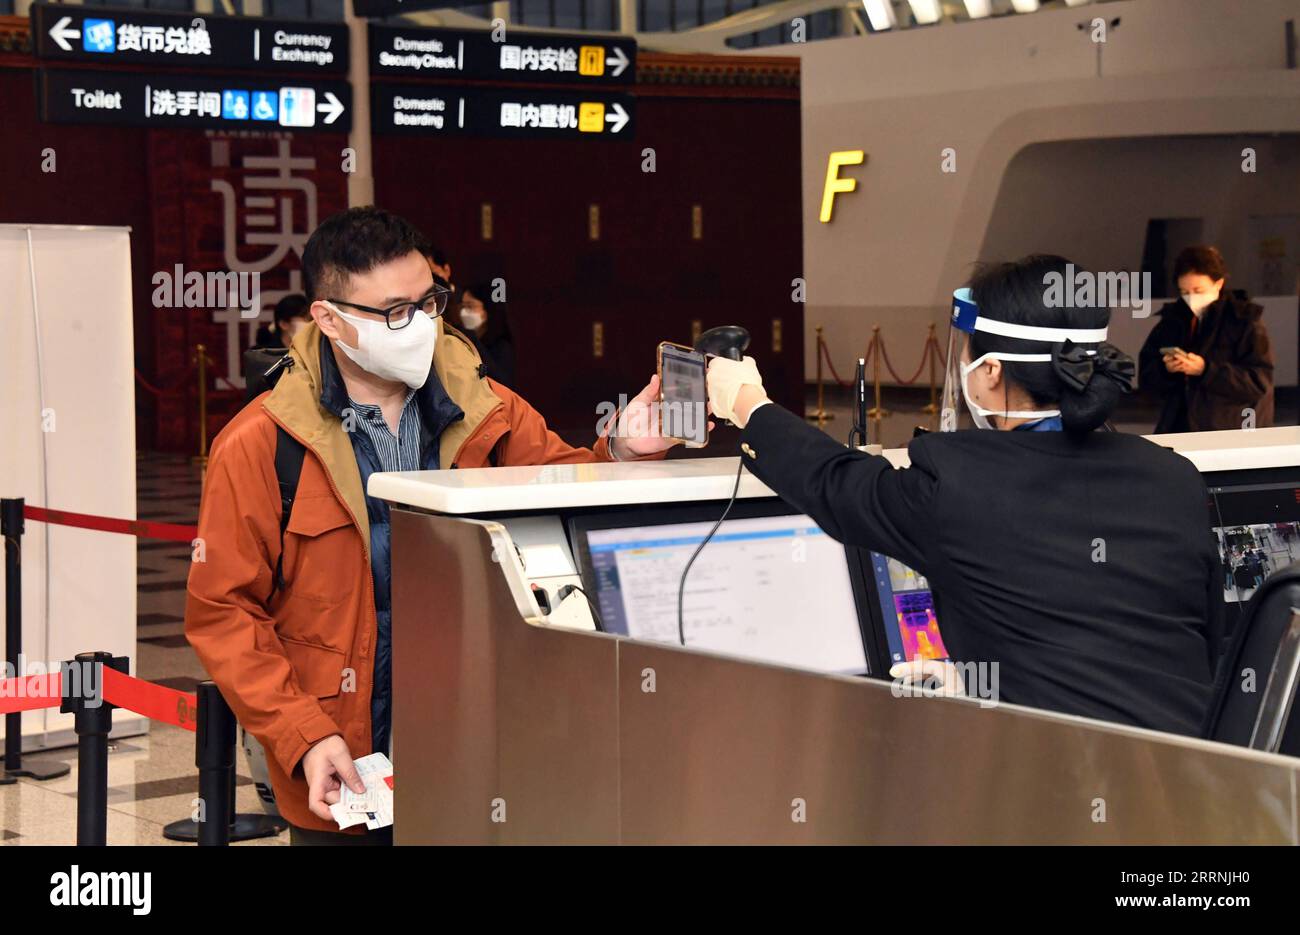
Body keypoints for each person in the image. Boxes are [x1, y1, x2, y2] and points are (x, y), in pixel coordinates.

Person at [185, 206, 684, 844]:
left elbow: (568, 502)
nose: (419, 325)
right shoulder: (261, 444)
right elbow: (224, 609)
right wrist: (303, 735)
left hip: (480, 750)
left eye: (430, 302)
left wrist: (621, 454)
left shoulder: (489, 410)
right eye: (393, 312)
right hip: (342, 761)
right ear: (329, 319)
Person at [706, 255, 1223, 736]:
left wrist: (748, 404)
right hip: (1210, 783)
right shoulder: (1174, 478)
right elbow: (1172, 649)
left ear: (992, 372)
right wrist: (986, 682)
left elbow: (836, 483)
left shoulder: (960, 480)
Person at [1138, 245, 1274, 433]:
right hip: (1180, 426)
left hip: (1230, 428)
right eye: (1184, 292)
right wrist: (1166, 369)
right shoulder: (1173, 320)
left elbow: (1258, 383)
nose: (1191, 298)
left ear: (1218, 284)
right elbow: (1147, 377)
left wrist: (1205, 369)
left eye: (1198, 290)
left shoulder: (1244, 321)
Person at [456, 283, 516, 388]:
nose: (464, 312)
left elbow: (502, 383)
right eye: (463, 306)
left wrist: (473, 339)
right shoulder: (461, 340)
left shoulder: (502, 346)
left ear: (487, 310)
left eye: (470, 306)